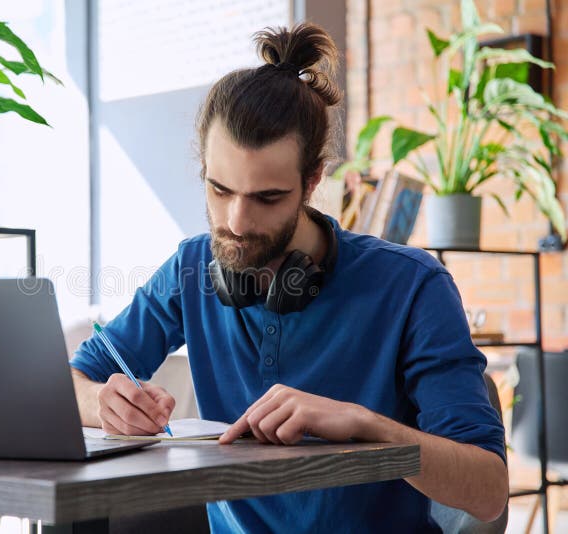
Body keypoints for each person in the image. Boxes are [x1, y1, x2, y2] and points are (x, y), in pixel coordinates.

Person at [69, 23, 507, 533]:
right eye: (219, 189)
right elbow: (75, 379)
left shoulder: (412, 285)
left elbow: (488, 490)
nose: (234, 221)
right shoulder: (192, 269)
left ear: (313, 180)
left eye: (267, 198)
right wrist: (105, 406)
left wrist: (364, 425)